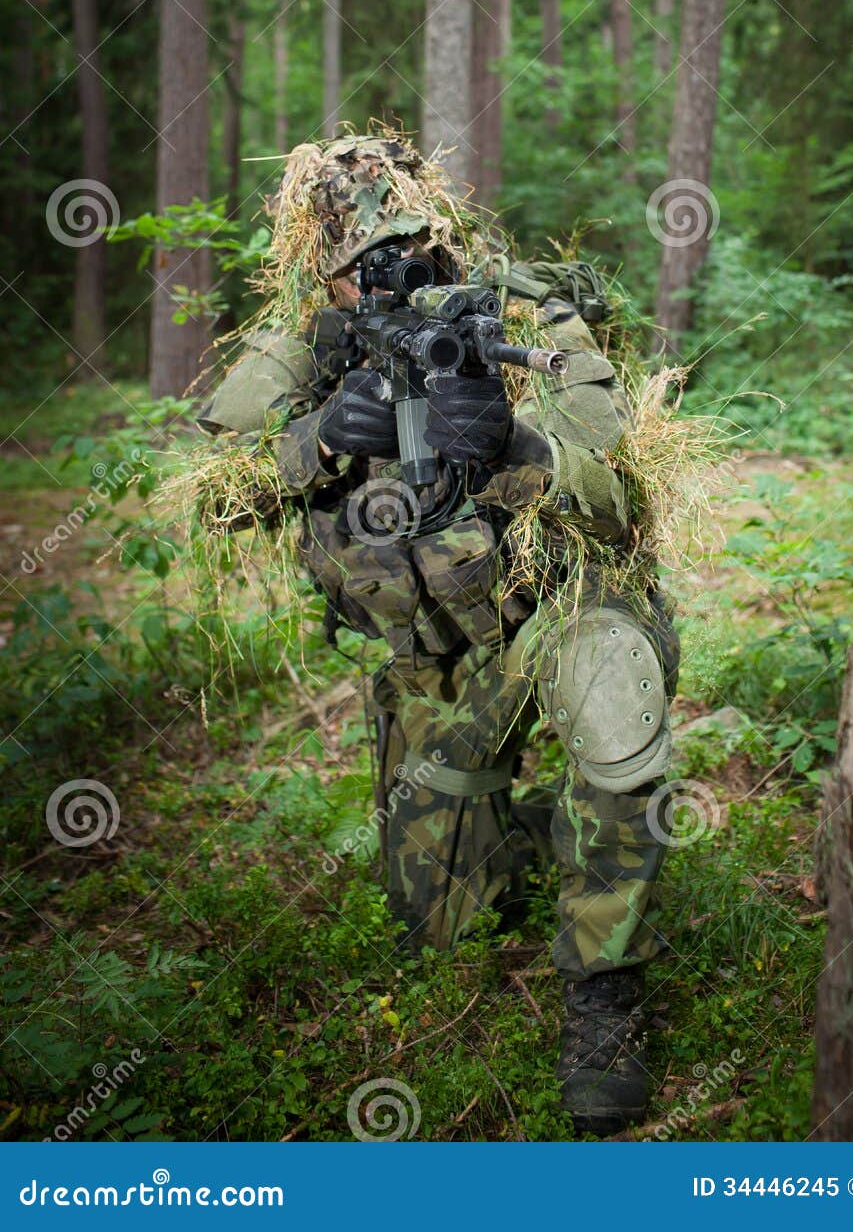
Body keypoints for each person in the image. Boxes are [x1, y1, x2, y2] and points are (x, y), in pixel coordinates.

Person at [199, 132, 680, 1136]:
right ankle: (536, 824)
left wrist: (523, 441)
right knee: (442, 922)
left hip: (549, 616)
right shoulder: (301, 346)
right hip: (433, 670)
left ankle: (603, 990)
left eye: (417, 251)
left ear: (446, 240)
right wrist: (319, 439)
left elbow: (626, 510)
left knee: (612, 675)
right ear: (319, 276)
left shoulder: (523, 319)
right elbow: (219, 504)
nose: (399, 277)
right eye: (361, 269)